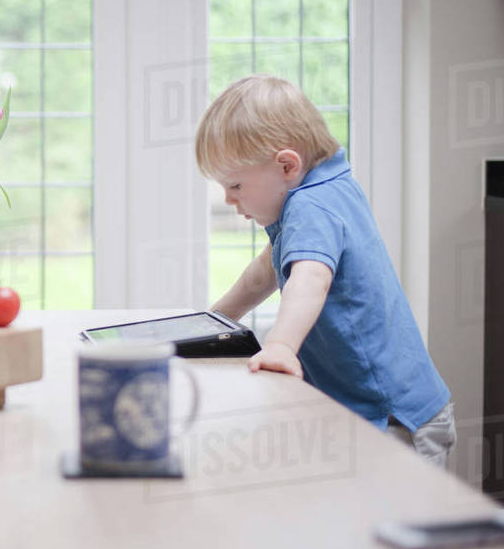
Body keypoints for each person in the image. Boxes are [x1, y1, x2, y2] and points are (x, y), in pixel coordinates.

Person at [194, 74, 455, 467]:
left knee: (391, 521)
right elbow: (265, 271)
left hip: (394, 419)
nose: (229, 199)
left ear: (286, 165)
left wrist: (280, 345)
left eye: (235, 185)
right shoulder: (322, 187)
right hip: (383, 409)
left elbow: (311, 278)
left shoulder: (311, 206)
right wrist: (217, 318)